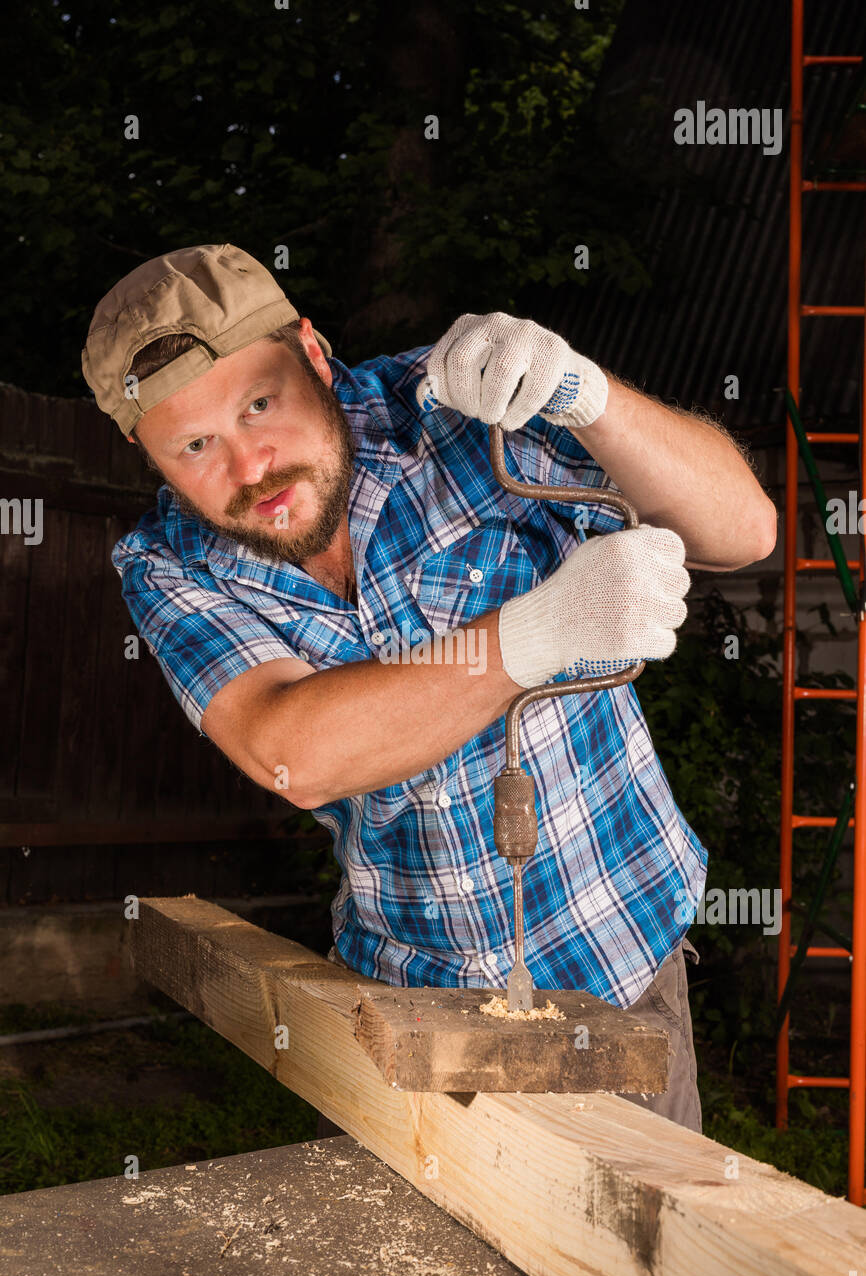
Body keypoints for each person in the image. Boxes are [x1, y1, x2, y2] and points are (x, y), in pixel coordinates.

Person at [81, 243, 777, 1135]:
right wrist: (538, 634)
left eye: (262, 404)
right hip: (409, 1001)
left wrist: (590, 399)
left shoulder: (460, 407)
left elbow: (744, 529)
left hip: (616, 964)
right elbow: (295, 754)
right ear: (150, 456)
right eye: (194, 445)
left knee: (638, 1268)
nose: (251, 467)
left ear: (315, 353)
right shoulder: (169, 564)